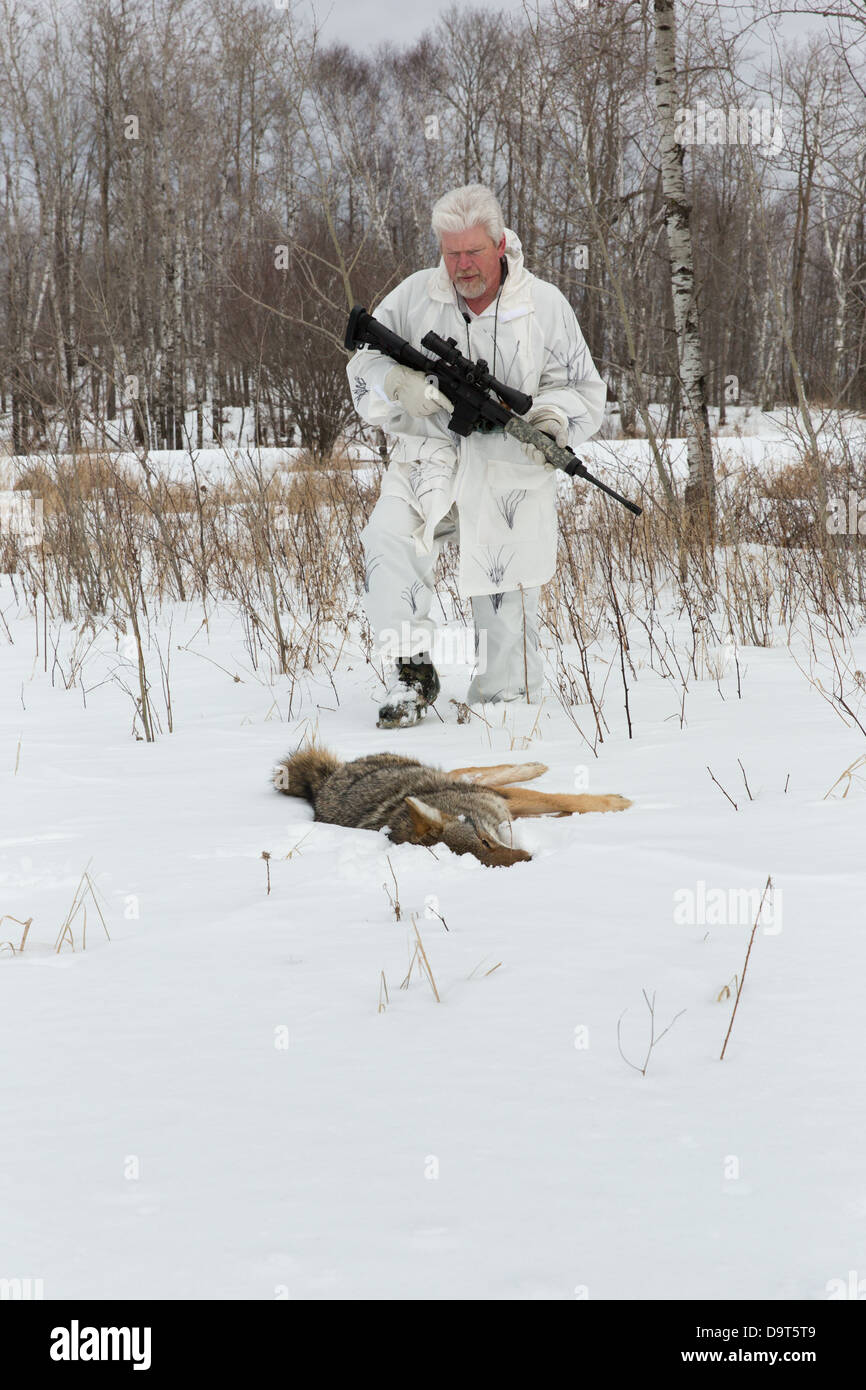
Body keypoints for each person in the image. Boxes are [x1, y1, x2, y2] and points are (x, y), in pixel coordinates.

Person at [346, 183, 606, 729]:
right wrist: (397, 382)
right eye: (451, 253)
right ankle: (411, 674)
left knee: (502, 582)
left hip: (509, 465)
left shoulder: (544, 305)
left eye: (473, 252)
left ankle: (504, 701)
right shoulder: (417, 295)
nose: (462, 265)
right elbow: (363, 359)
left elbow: (581, 385)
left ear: (499, 243)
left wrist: (554, 418)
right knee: (388, 541)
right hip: (427, 454)